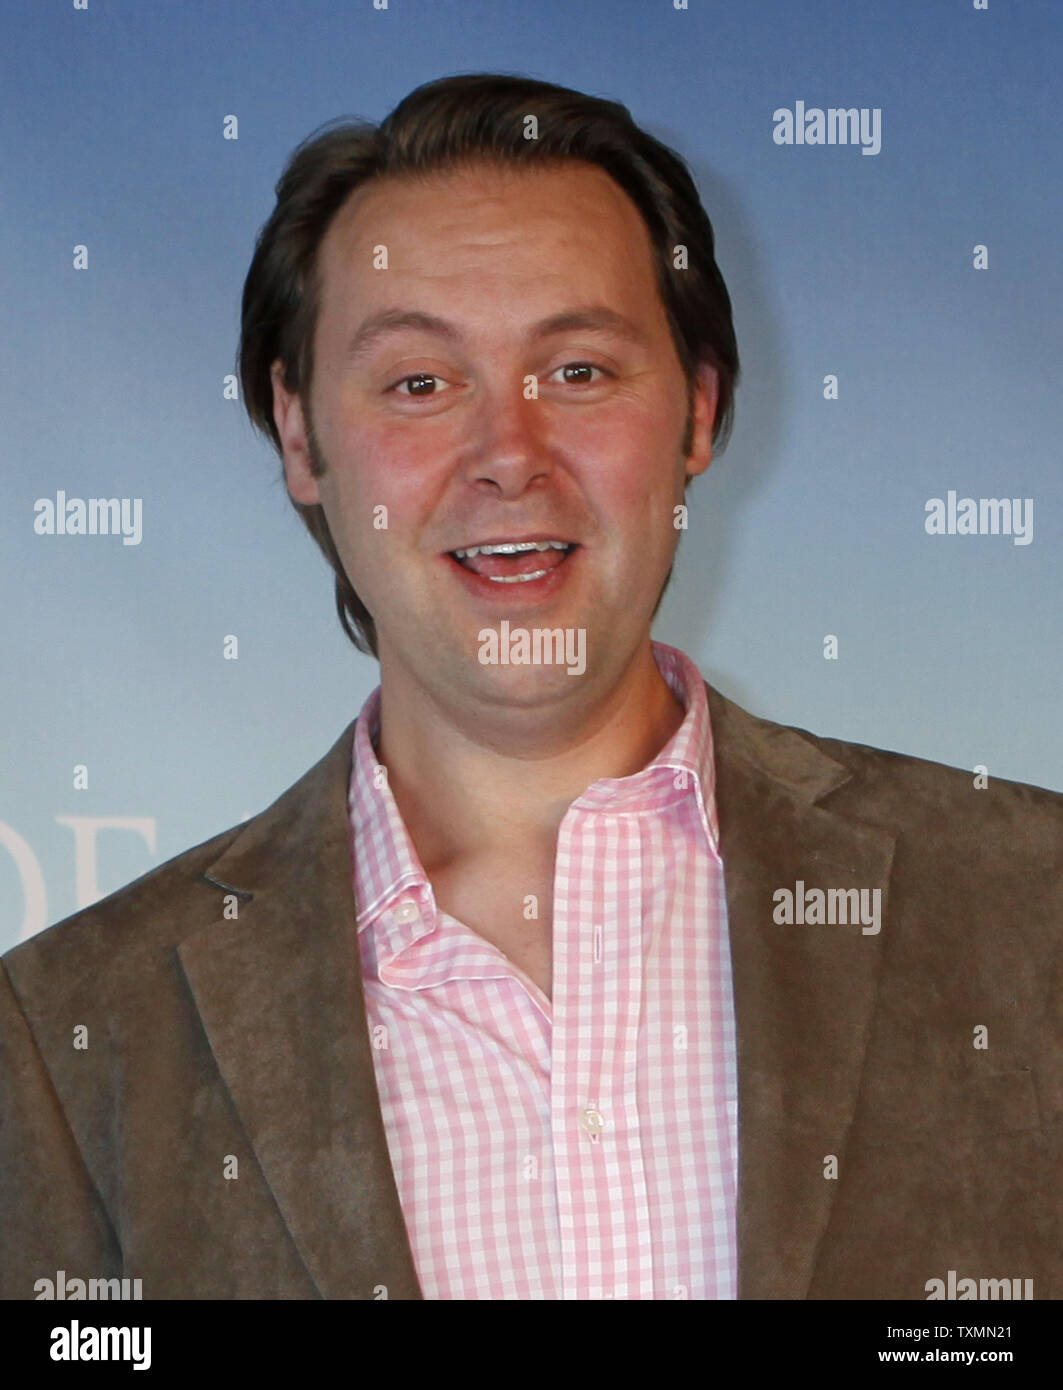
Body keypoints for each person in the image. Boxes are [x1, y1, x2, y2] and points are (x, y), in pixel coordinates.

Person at [2, 73, 1060, 1302]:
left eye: (579, 370)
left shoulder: (1028, 908)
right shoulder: (65, 1040)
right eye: (419, 382)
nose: (510, 454)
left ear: (698, 408)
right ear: (299, 436)